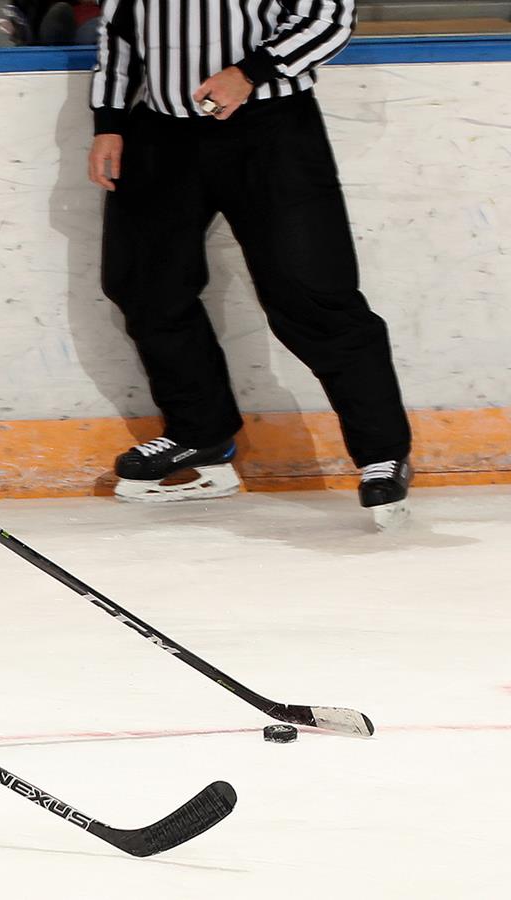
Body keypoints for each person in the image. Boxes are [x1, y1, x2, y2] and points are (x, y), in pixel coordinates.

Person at [87, 0, 413, 526]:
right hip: (160, 132)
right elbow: (119, 32)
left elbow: (329, 17)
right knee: (146, 284)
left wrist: (249, 72)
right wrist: (109, 121)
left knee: (310, 292)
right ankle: (201, 434)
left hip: (270, 129)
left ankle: (382, 453)